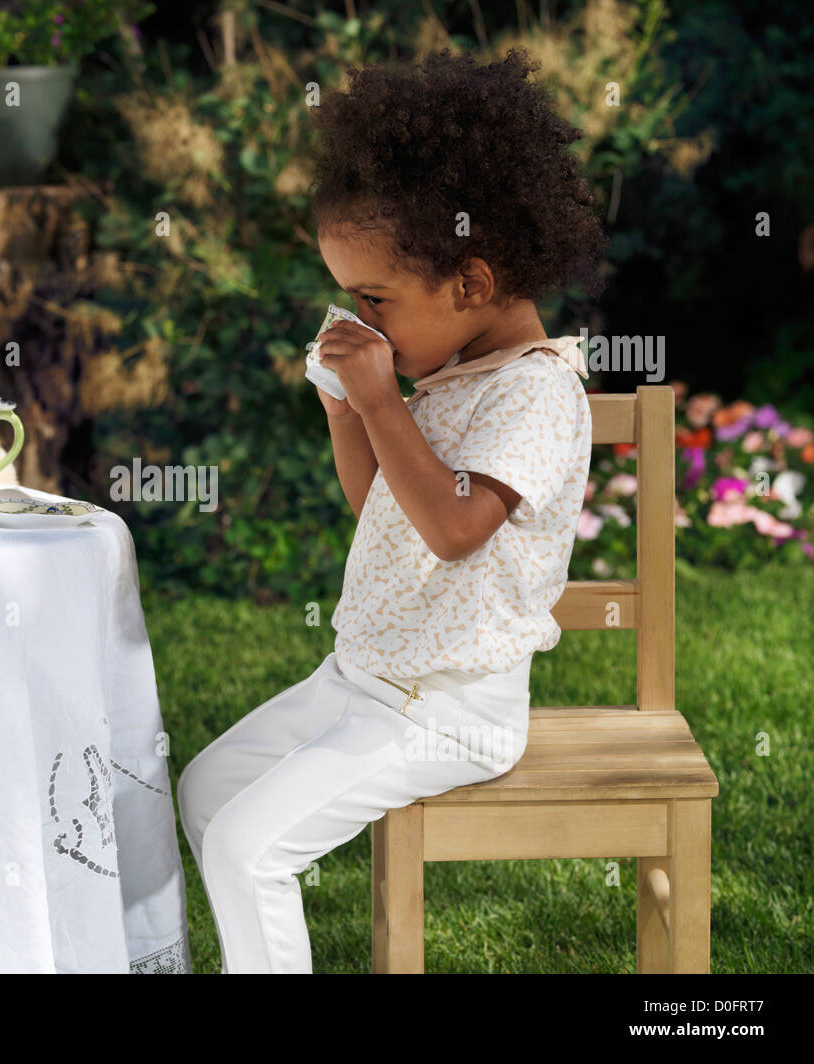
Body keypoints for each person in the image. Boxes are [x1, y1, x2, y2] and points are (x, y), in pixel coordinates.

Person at [177, 47, 608, 974]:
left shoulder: (537, 395)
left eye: (375, 299)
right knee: (209, 793)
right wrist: (348, 408)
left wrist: (379, 403)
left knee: (250, 847)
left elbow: (454, 531)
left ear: (472, 285)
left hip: (446, 708)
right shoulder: (450, 373)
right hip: (365, 677)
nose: (360, 319)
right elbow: (385, 505)